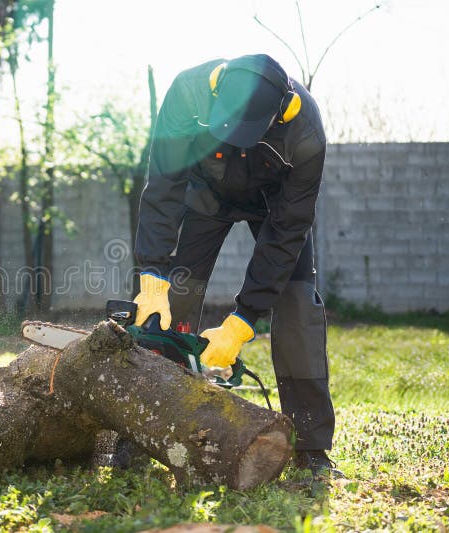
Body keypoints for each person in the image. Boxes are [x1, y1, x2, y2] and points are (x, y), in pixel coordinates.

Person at [133, 54, 339, 478]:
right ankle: (137, 433)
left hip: (274, 208)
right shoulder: (188, 94)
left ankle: (311, 449)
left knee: (298, 304)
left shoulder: (306, 133)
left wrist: (242, 321)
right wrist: (152, 272)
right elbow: (164, 185)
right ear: (215, 90)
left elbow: (287, 233)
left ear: (284, 111)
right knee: (172, 295)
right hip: (206, 194)